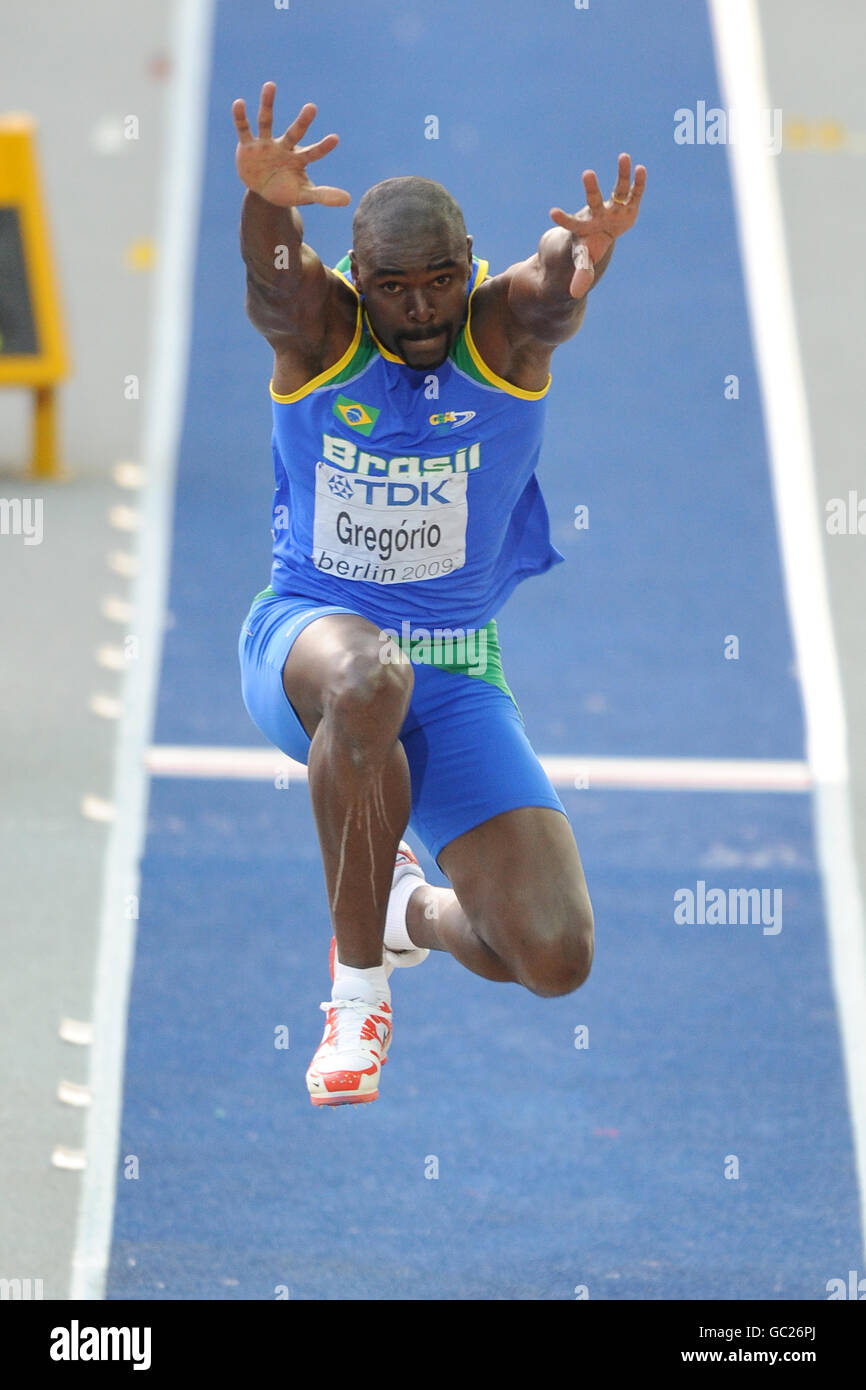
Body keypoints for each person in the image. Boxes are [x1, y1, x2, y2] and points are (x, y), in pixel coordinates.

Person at [233, 82, 645, 1105]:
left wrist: (581, 250)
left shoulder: (503, 335)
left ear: (470, 265)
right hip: (310, 645)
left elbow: (552, 285)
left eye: (439, 282)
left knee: (549, 954)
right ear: (354, 279)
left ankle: (402, 913)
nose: (419, 308)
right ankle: (356, 996)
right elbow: (274, 279)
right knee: (372, 674)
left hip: (454, 671)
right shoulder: (319, 334)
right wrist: (267, 207)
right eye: (393, 287)